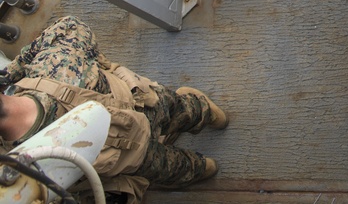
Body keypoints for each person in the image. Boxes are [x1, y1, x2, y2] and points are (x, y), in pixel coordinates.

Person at [0, 15, 227, 203]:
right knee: (177, 109)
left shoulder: (22, 173)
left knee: (167, 167)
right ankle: (205, 117)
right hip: (143, 112)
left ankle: (199, 167)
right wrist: (11, 74)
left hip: (132, 157)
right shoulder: (56, 64)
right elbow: (70, 26)